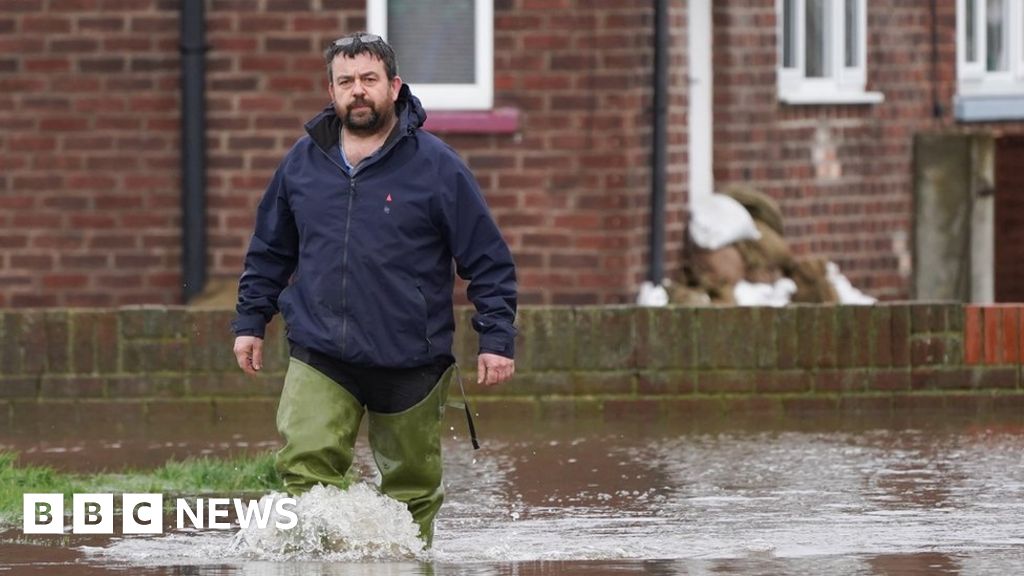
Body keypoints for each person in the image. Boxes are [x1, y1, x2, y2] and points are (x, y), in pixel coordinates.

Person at [230, 31, 517, 546]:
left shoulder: (438, 166)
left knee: (411, 495)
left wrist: (496, 339)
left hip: (412, 356)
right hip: (321, 350)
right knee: (306, 474)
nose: (357, 91)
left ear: (394, 86)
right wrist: (251, 321)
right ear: (332, 90)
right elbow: (270, 250)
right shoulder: (302, 161)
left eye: (368, 79)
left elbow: (488, 259)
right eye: (346, 82)